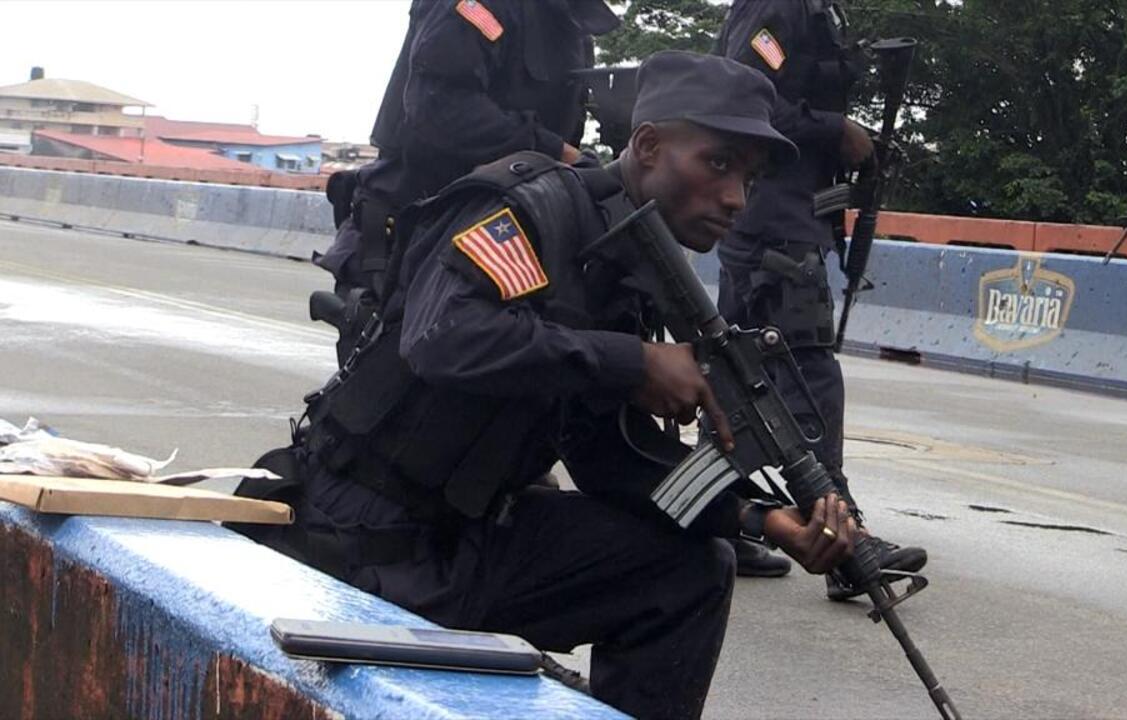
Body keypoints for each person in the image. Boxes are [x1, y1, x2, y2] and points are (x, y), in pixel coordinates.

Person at [247, 52, 863, 719]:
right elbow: (443, 336)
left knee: (692, 570)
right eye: (718, 163)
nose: (736, 197)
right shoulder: (531, 209)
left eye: (750, 177)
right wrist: (633, 362)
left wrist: (756, 518)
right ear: (648, 146)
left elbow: (606, 459)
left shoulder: (627, 271)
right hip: (357, 536)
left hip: (466, 542)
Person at [712, 0, 928, 590]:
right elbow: (743, 97)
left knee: (734, 375)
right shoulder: (777, 6)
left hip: (785, 214)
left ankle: (722, 521)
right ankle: (844, 543)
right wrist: (835, 130)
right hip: (770, 220)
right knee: (807, 371)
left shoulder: (815, 10)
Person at [318, 0, 620, 300]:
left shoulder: (573, 20)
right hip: (424, 231)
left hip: (508, 233)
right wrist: (554, 152)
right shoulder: (481, 6)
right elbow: (439, 108)